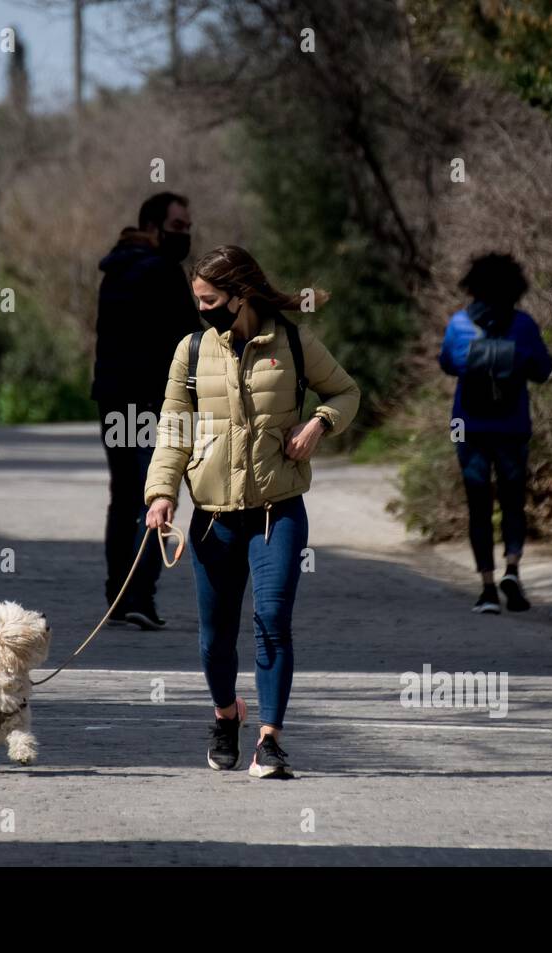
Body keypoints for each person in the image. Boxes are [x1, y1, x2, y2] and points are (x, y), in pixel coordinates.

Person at [144, 245, 359, 779]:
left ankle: (270, 740)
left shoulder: (292, 343)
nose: (203, 309)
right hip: (214, 518)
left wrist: (319, 424)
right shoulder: (190, 352)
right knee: (215, 639)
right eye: (197, 300)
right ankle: (226, 716)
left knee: (271, 622)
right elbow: (173, 429)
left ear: (240, 296)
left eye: (210, 299)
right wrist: (161, 494)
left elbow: (347, 391)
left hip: (276, 513)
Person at [92, 191, 202, 630]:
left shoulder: (114, 269)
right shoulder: (163, 272)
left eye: (188, 227)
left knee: (123, 498)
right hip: (152, 403)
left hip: (113, 400)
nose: (185, 235)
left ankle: (116, 595)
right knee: (155, 496)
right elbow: (188, 338)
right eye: (178, 227)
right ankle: (138, 595)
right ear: (153, 227)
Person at [438, 253, 552, 614]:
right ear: (515, 286)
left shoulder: (459, 324)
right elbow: (543, 370)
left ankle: (487, 588)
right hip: (513, 426)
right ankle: (513, 571)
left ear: (472, 285)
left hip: (468, 428)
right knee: (513, 500)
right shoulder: (523, 325)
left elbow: (446, 363)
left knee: (478, 505)